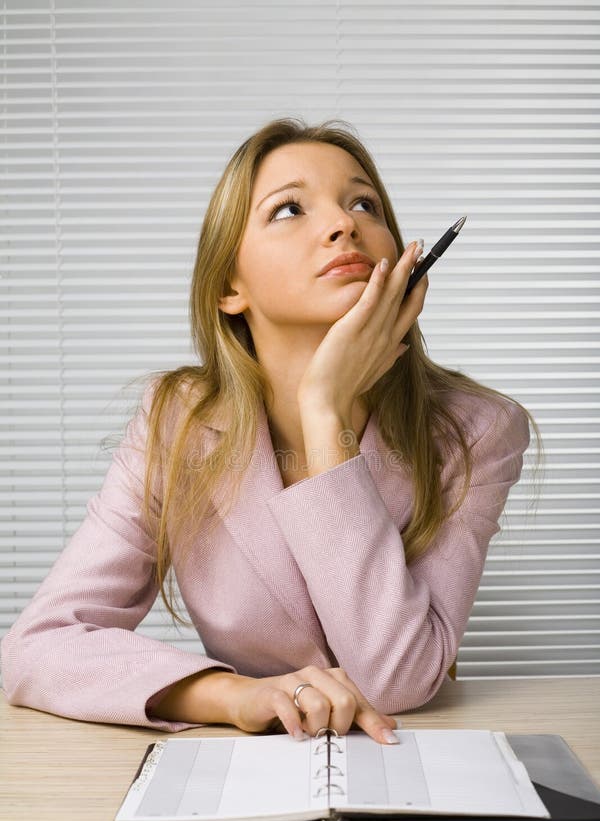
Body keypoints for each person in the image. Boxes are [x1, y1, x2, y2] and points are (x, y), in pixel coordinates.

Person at [1, 117, 542, 746]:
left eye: (364, 203)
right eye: (289, 209)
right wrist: (234, 694)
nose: (344, 225)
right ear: (230, 286)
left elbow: (398, 679)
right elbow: (37, 648)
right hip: (251, 759)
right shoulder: (175, 420)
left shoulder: (478, 430)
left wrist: (324, 413)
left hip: (411, 752)